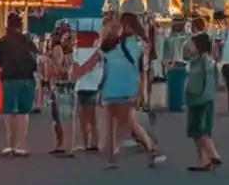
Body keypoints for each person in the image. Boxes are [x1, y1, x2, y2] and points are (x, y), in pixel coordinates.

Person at [75, 11, 166, 169]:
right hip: (118, 87)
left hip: (122, 87)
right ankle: (118, 155)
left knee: (126, 123)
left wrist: (141, 91)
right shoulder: (123, 43)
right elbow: (103, 58)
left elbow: (139, 68)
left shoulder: (132, 44)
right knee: (122, 123)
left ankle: (146, 150)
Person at [0, 12, 38, 157]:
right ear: (20, 24)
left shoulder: (1, 42)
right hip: (27, 78)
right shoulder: (27, 41)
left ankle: (9, 145)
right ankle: (21, 145)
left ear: (7, 24)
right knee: (23, 113)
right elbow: (36, 58)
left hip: (10, 79)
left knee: (10, 112)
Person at [185, 32, 222, 172]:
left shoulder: (199, 62)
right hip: (208, 98)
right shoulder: (210, 61)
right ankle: (204, 159)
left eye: (192, 44)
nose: (189, 46)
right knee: (204, 130)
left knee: (197, 130)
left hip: (197, 99)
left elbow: (193, 83)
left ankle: (212, 155)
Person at [47, 22, 79, 156]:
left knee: (63, 116)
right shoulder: (69, 50)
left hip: (61, 84)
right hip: (63, 84)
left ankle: (66, 146)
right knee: (61, 116)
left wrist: (56, 68)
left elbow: (59, 67)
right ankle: (63, 145)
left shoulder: (59, 49)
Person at [75, 26, 104, 152]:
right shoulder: (98, 54)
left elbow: (81, 70)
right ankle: (92, 142)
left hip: (86, 86)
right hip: (91, 86)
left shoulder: (93, 54)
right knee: (90, 118)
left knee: (86, 117)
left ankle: (91, 142)